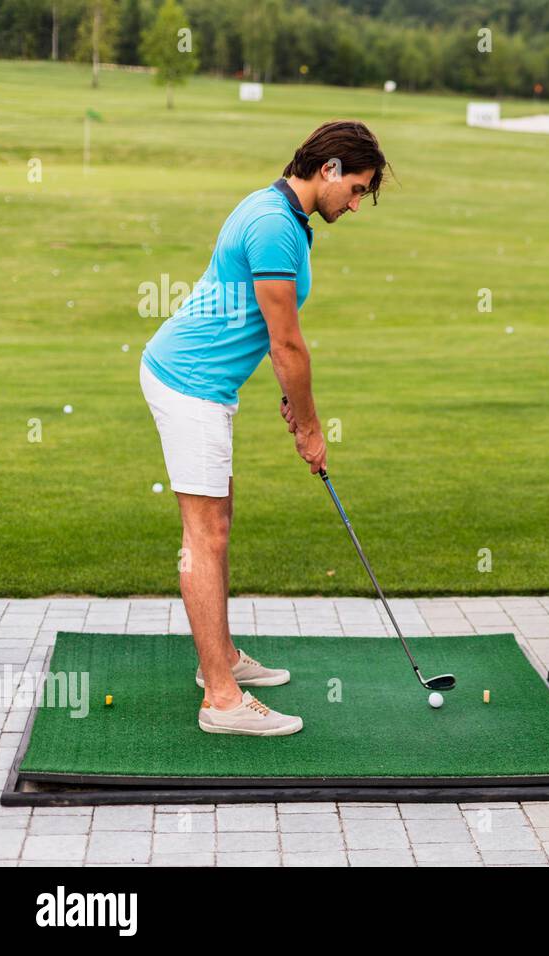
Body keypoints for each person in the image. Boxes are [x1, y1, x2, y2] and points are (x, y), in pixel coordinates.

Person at [140, 120, 388, 735]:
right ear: (327, 168)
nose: (355, 204)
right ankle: (221, 701)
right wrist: (309, 426)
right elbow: (287, 344)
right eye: (356, 189)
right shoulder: (276, 227)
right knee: (206, 537)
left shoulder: (277, 209)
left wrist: (289, 397)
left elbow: (267, 333)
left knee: (217, 526)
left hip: (203, 383)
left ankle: (219, 660)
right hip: (189, 384)